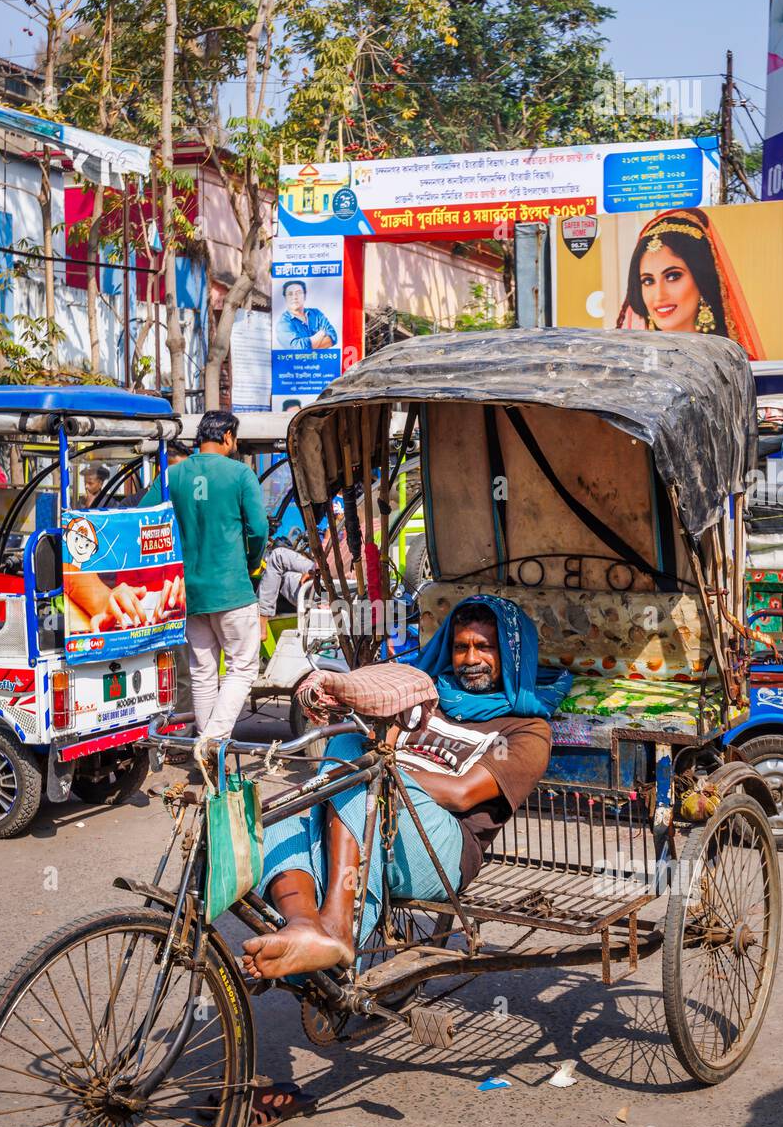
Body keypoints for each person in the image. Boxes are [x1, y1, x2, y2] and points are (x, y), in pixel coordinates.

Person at [242, 596, 563, 979]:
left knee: (362, 768)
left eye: (484, 647)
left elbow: (462, 792)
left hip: (443, 847)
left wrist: (386, 771)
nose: (470, 658)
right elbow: (381, 738)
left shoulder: (525, 729)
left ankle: (339, 925)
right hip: (377, 811)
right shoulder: (426, 696)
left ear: (509, 655)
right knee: (280, 824)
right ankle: (305, 928)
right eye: (461, 647)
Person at [141, 410, 268, 740]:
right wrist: (250, 563)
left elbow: (144, 515)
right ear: (227, 437)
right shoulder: (240, 474)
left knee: (203, 672)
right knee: (243, 668)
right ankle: (213, 742)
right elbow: (258, 529)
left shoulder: (174, 476)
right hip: (232, 590)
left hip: (191, 594)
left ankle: (206, 748)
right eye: (235, 439)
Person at [616, 208, 766, 360]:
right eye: (648, 281)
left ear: (701, 279)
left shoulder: (735, 365)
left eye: (673, 276)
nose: (659, 295)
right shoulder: (634, 366)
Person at [275, 281, 337, 351]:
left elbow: (333, 336)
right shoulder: (283, 323)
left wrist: (308, 349)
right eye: (290, 294)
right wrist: (322, 333)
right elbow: (299, 349)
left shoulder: (316, 313)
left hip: (323, 361)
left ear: (305, 296)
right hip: (297, 362)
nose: (295, 297)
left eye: (298, 293)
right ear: (285, 298)